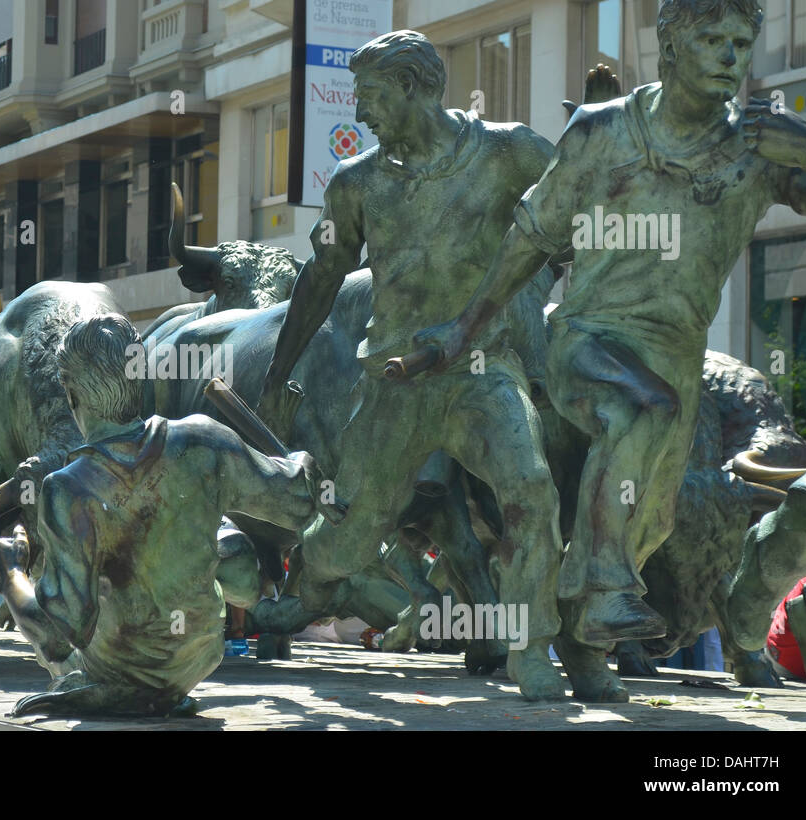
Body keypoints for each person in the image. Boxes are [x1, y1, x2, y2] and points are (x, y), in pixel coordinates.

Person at [403, 0, 806, 652]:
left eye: (741, 44)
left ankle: (582, 603)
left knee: (654, 519)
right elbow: (530, 237)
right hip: (590, 339)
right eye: (711, 39)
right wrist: (464, 327)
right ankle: (600, 584)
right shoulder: (604, 131)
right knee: (643, 410)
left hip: (678, 357)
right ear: (670, 43)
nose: (728, 57)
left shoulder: (759, 149)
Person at [254, 30, 609, 700]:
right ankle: (310, 585)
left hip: (481, 373)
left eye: (373, 96)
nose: (360, 114)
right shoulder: (357, 184)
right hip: (394, 385)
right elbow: (322, 275)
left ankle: (532, 648)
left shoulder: (508, 151)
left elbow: (578, 203)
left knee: (531, 492)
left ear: (417, 87)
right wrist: (277, 375)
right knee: (346, 537)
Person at [0, 315, 324, 717]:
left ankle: (104, 689)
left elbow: (60, 634)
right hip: (196, 660)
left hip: (120, 671)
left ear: (71, 392)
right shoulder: (204, 438)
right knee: (221, 542)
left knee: (66, 639)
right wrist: (294, 461)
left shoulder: (69, 489)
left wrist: (10, 576)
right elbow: (298, 500)